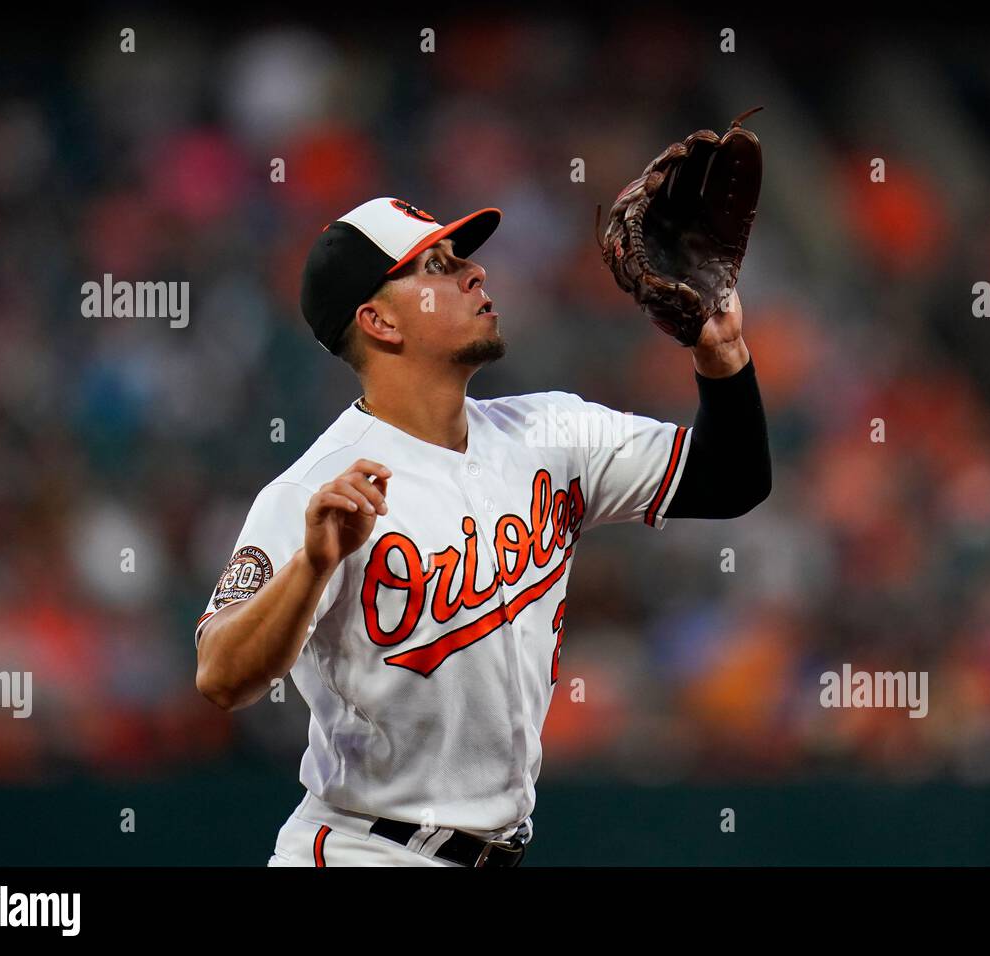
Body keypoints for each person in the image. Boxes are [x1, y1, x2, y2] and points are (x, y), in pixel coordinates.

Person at [193, 197, 771, 866]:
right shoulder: (314, 489)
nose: (474, 274)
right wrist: (313, 566)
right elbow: (221, 677)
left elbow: (731, 479)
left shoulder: (550, 433)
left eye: (462, 258)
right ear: (378, 320)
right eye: (435, 265)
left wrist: (722, 349)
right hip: (362, 851)